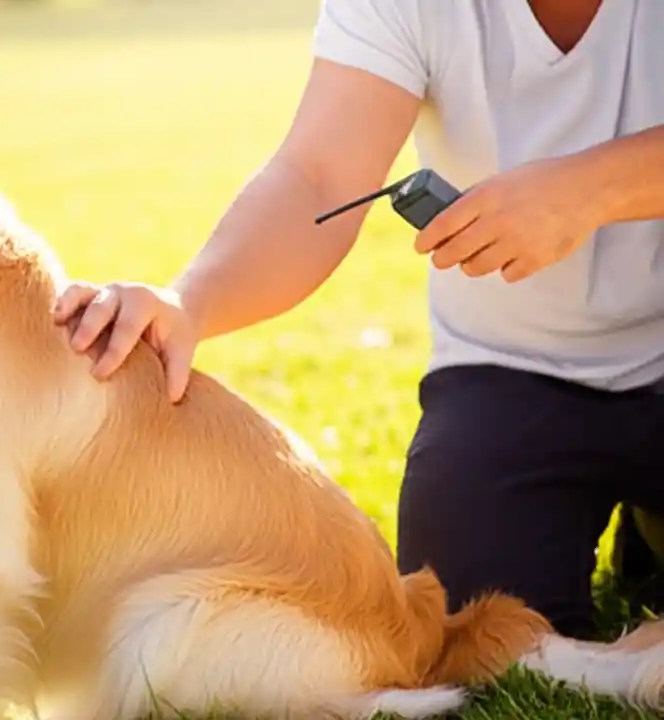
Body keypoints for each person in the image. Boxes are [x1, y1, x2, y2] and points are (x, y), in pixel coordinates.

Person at [53, 0, 664, 639]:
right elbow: (317, 177)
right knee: (467, 623)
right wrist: (190, 302)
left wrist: (591, 190)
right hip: (511, 370)